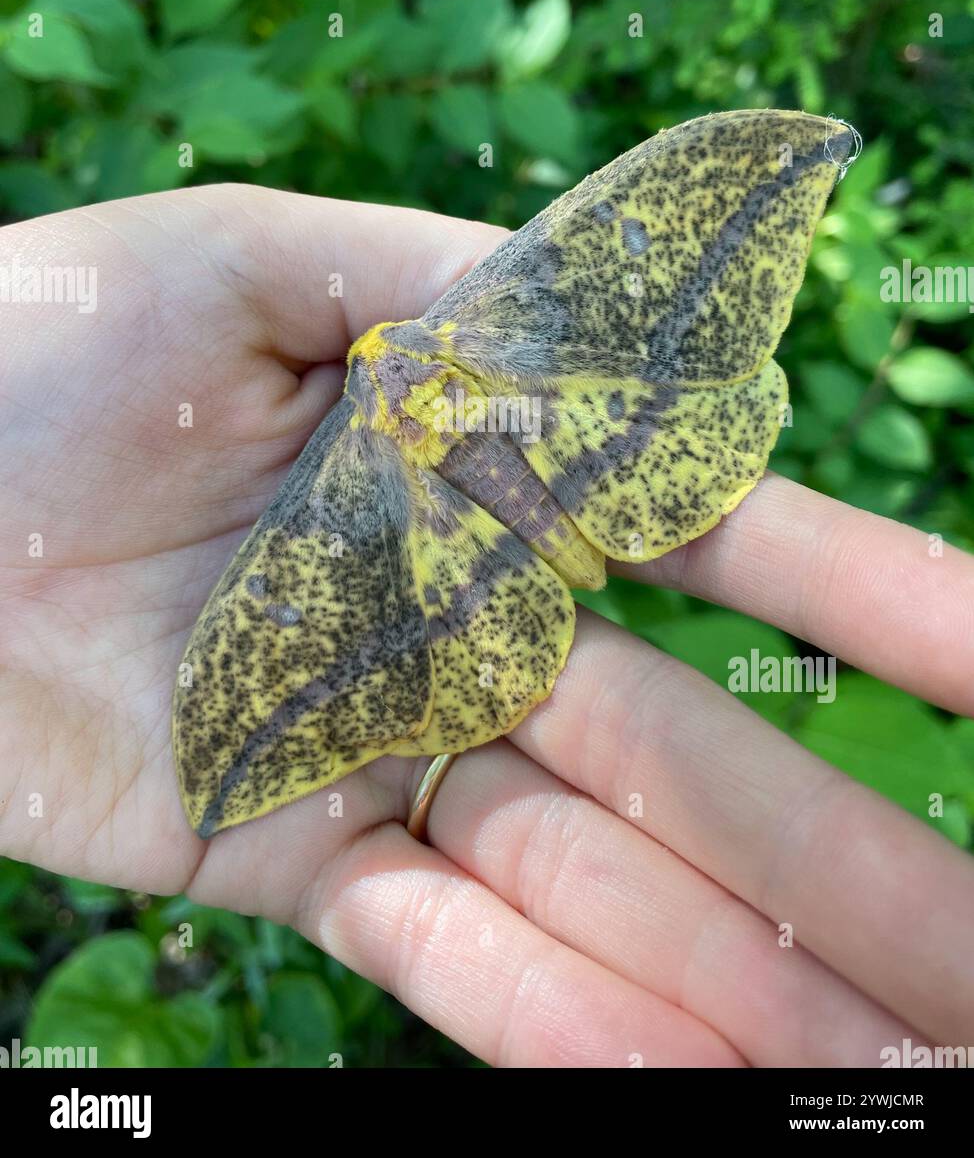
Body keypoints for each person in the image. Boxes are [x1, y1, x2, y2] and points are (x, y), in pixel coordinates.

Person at [2, 184, 972, 1067]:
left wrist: (768, 178)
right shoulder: (464, 331)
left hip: (482, 557)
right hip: (577, 443)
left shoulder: (352, 442)